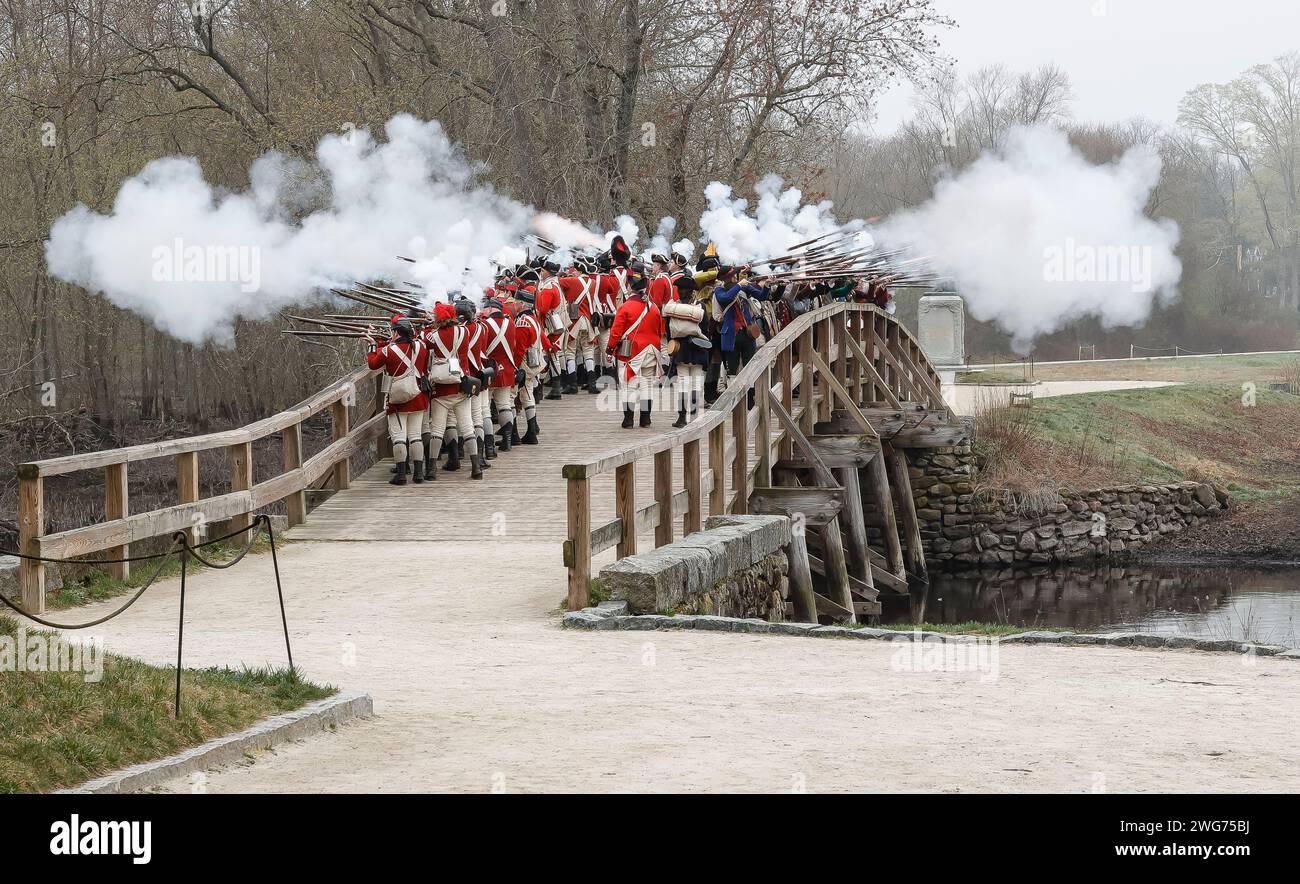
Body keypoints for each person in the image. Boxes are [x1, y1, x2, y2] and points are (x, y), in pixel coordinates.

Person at [422, 302, 485, 479]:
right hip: (461, 384)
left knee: (437, 430)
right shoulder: (464, 331)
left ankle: (432, 469)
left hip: (441, 390)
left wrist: (427, 325)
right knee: (467, 427)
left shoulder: (432, 336)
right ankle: (476, 467)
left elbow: (424, 343)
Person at [366, 317, 430, 486]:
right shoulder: (421, 346)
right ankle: (418, 473)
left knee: (399, 437)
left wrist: (372, 345)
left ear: (396, 332)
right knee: (415, 436)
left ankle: (401, 475)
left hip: (398, 398)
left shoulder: (388, 350)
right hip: (418, 396)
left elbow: (373, 364)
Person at [606, 271, 665, 428]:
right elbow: (660, 330)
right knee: (646, 385)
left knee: (629, 384)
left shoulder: (625, 307)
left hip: (633, 350)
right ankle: (645, 419)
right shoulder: (653, 307)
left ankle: (629, 420)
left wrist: (610, 349)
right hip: (652, 349)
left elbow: (616, 332)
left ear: (630, 287)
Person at [713, 266, 770, 410]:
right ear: (728, 278)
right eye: (733, 276)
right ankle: (734, 401)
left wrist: (767, 285)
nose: (736, 277)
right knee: (731, 371)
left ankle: (750, 400)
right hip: (731, 335)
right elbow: (725, 299)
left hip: (747, 334)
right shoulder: (720, 290)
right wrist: (739, 285)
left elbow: (762, 296)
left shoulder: (743, 288)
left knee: (749, 368)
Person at [478, 296, 521, 453]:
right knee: (504, 406)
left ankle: (489, 447)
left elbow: (481, 349)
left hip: (489, 370)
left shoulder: (484, 325)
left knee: (485, 409)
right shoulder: (510, 323)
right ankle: (507, 441)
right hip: (507, 368)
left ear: (489, 309)